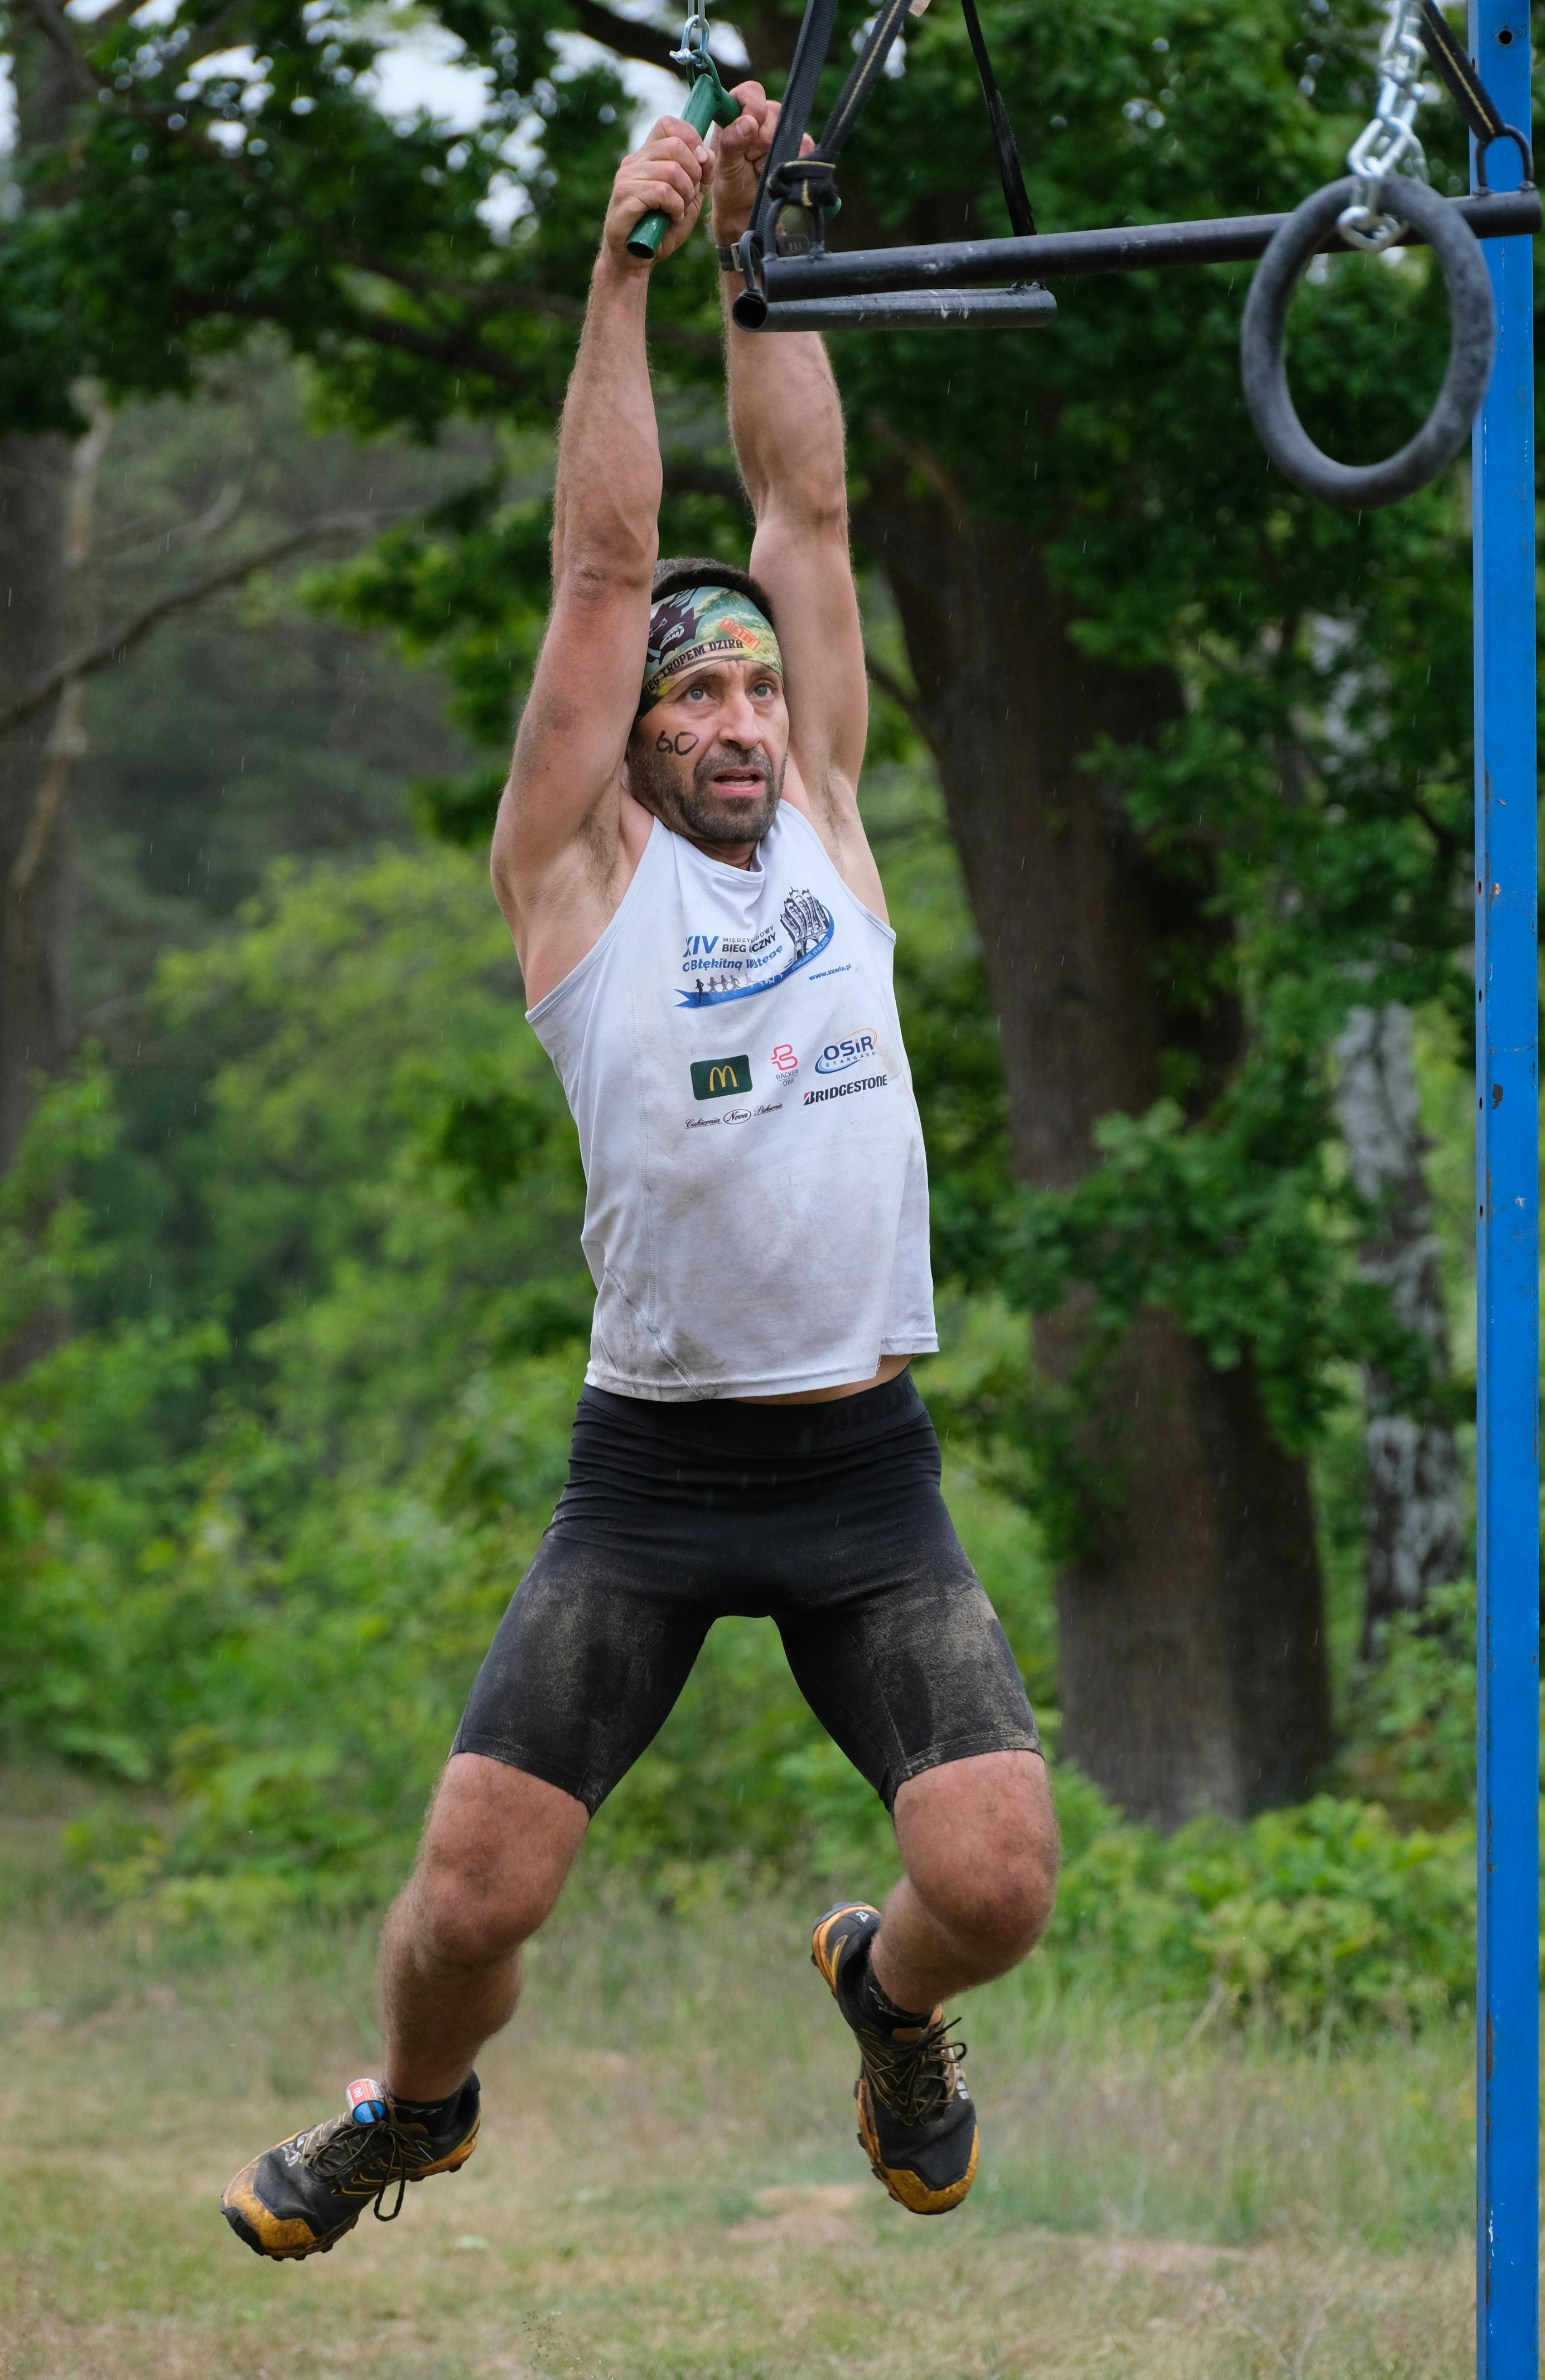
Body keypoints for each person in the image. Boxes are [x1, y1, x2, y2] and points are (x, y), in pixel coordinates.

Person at [222, 82, 1058, 2266]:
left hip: (866, 1462)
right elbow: (612, 561)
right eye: (699, 695)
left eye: (761, 693)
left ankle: (886, 2006)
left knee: (1002, 1882)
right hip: (658, 1477)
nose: (745, 719)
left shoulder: (838, 836)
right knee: (470, 1900)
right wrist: (633, 262)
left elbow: (811, 506)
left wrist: (772, 234)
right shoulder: (575, 882)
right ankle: (409, 2108)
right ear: (633, 735)